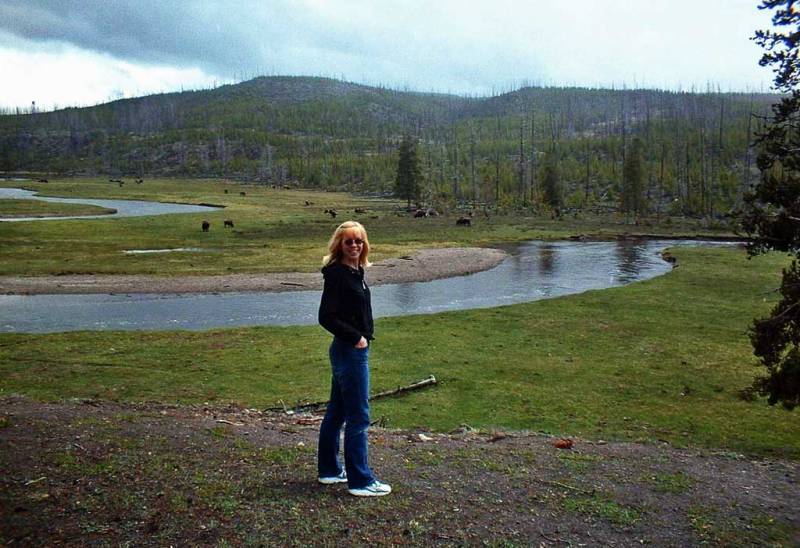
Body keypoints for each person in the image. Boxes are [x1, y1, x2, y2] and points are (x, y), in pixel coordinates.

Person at [317, 221, 392, 497]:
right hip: (350, 351)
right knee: (359, 416)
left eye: (359, 241)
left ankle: (329, 470)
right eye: (349, 241)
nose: (354, 246)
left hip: (347, 349)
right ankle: (361, 481)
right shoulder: (337, 273)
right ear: (340, 244)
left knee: (337, 412)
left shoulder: (355, 271)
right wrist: (357, 338)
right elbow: (326, 316)